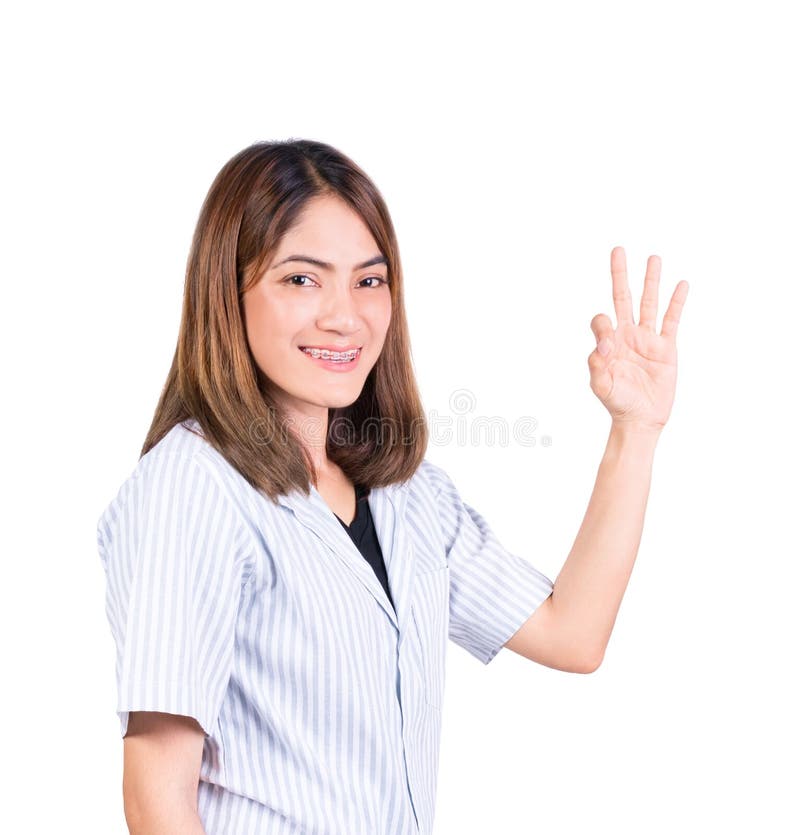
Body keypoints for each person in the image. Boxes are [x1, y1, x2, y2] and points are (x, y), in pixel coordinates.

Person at [96, 139, 689, 835]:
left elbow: (574, 633)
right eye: (301, 279)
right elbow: (156, 802)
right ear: (228, 292)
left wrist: (636, 429)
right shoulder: (192, 484)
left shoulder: (407, 494)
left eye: (368, 281)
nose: (345, 316)